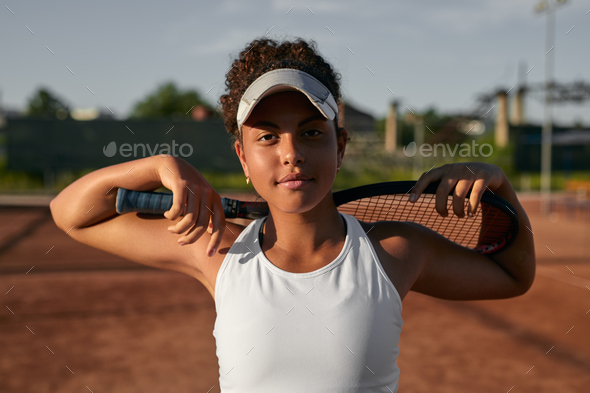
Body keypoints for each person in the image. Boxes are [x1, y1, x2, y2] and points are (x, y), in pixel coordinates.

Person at [50, 37, 536, 392]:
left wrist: (500, 186)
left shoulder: (395, 251)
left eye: (310, 133)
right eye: (267, 136)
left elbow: (512, 276)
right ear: (242, 157)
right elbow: (70, 212)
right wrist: (160, 164)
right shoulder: (216, 249)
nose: (291, 154)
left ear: (339, 147)